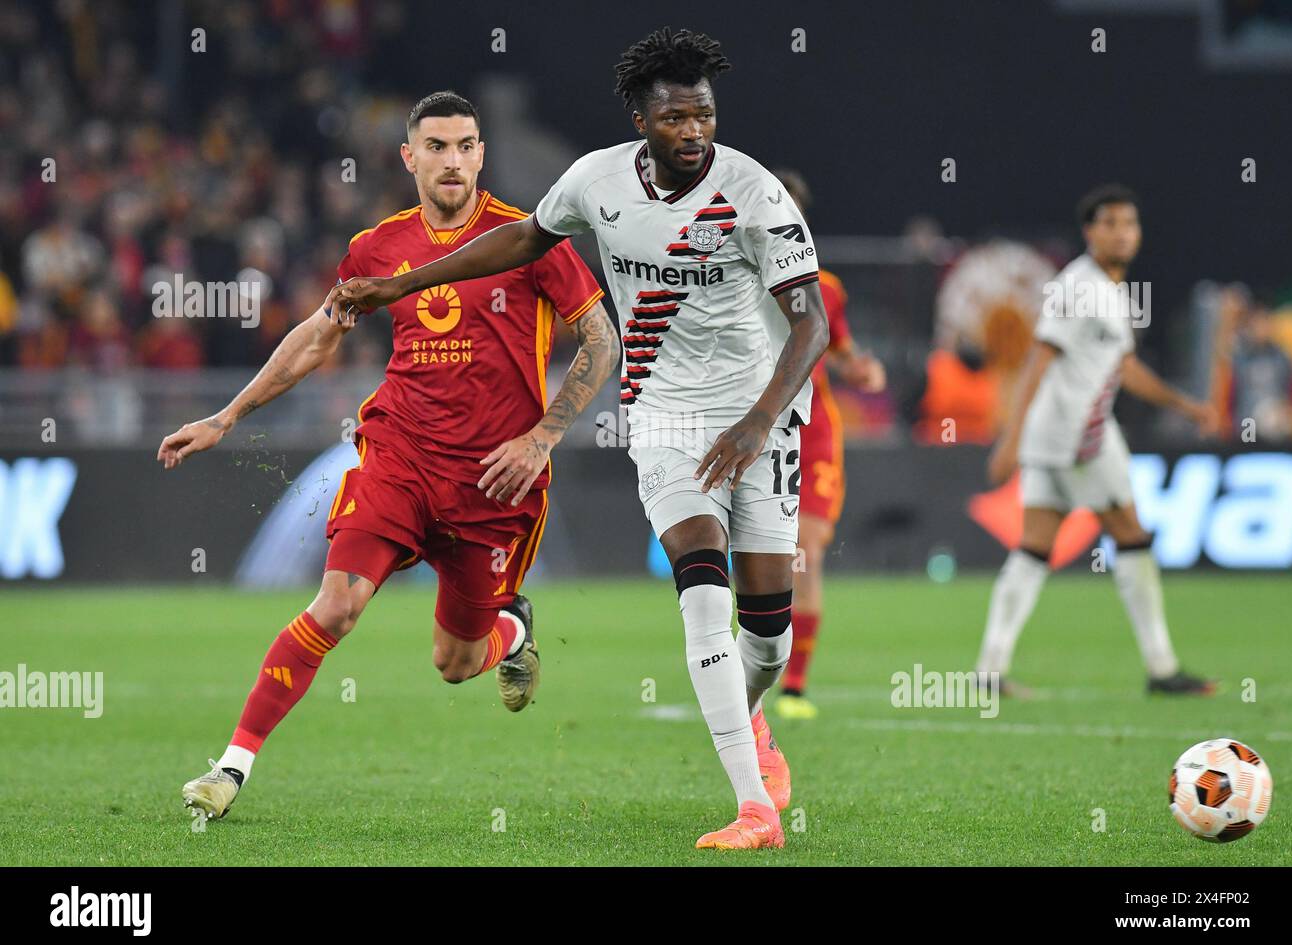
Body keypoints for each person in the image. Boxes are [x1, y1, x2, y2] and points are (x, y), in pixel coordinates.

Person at [330, 29, 831, 850]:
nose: (694, 131)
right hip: (664, 415)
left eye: (704, 113)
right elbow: (525, 237)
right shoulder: (596, 181)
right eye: (675, 117)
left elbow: (808, 326)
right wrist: (403, 283)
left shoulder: (756, 193)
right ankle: (754, 810)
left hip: (762, 414)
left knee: (767, 639)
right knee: (703, 593)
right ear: (642, 119)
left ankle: (754, 725)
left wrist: (756, 422)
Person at [160, 91, 617, 820]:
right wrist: (228, 414)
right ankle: (230, 768)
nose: (453, 160)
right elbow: (318, 335)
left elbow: (602, 341)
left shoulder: (531, 240)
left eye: (466, 145)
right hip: (398, 456)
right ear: (409, 158)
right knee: (337, 606)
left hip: (494, 483)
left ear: (481, 155)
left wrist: (542, 436)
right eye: (436, 146)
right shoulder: (377, 249)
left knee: (456, 662)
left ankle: (513, 629)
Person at [979, 184, 1217, 697]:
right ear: (1090, 232)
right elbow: (1039, 358)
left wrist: (1184, 405)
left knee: (1034, 547)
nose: (1122, 233)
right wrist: (1009, 438)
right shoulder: (1078, 287)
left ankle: (988, 670)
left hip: (1061, 433)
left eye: (1129, 223)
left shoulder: (1110, 292)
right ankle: (1162, 668)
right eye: (1110, 223)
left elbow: (1124, 368)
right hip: (1079, 434)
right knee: (1131, 536)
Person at [768, 169, 886, 721]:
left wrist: (860, 370)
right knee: (759, 562)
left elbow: (838, 349)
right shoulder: (724, 279)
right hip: (750, 430)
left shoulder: (825, 288)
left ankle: (794, 688)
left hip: (812, 433)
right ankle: (748, 674)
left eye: (789, 210)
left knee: (805, 552)